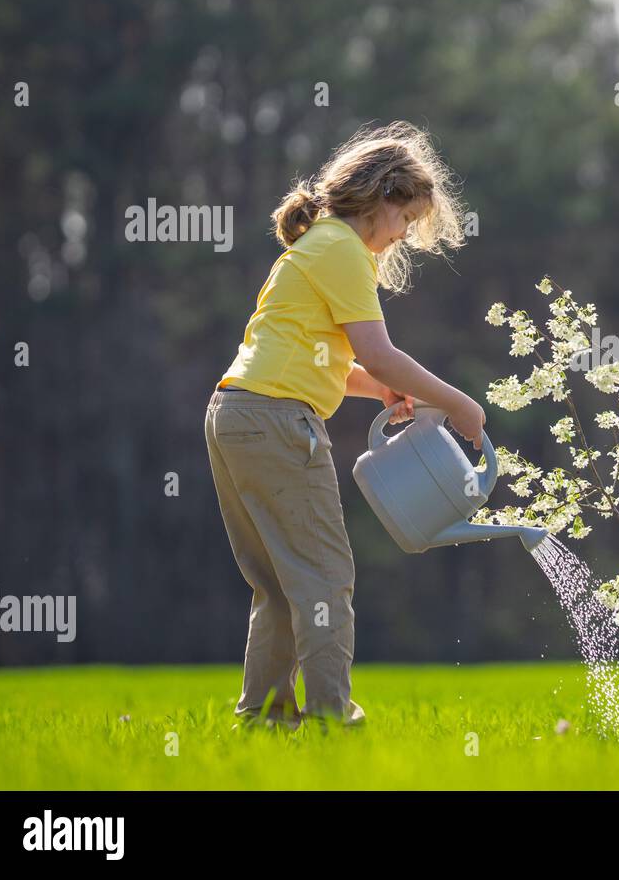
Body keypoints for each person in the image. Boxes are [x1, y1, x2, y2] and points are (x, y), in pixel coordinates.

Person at [204, 121, 485, 728]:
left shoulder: (318, 245)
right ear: (384, 198)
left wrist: (380, 388)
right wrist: (459, 403)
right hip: (277, 421)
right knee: (326, 580)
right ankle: (333, 720)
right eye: (406, 219)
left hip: (236, 415)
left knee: (280, 586)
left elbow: (320, 355)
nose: (404, 234)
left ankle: (264, 723)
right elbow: (380, 351)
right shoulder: (343, 251)